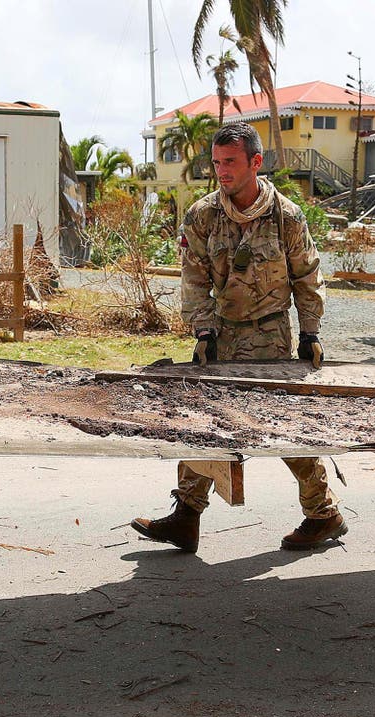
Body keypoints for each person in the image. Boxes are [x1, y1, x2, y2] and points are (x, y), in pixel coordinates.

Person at [130, 122, 346, 554]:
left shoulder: (286, 216)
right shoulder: (204, 216)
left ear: (255, 163)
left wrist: (310, 332)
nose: (222, 171)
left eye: (230, 162)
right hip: (221, 335)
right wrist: (202, 328)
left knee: (277, 426)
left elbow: (307, 276)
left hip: (271, 337)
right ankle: (186, 517)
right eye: (216, 162)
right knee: (205, 422)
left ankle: (323, 513)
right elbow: (193, 280)